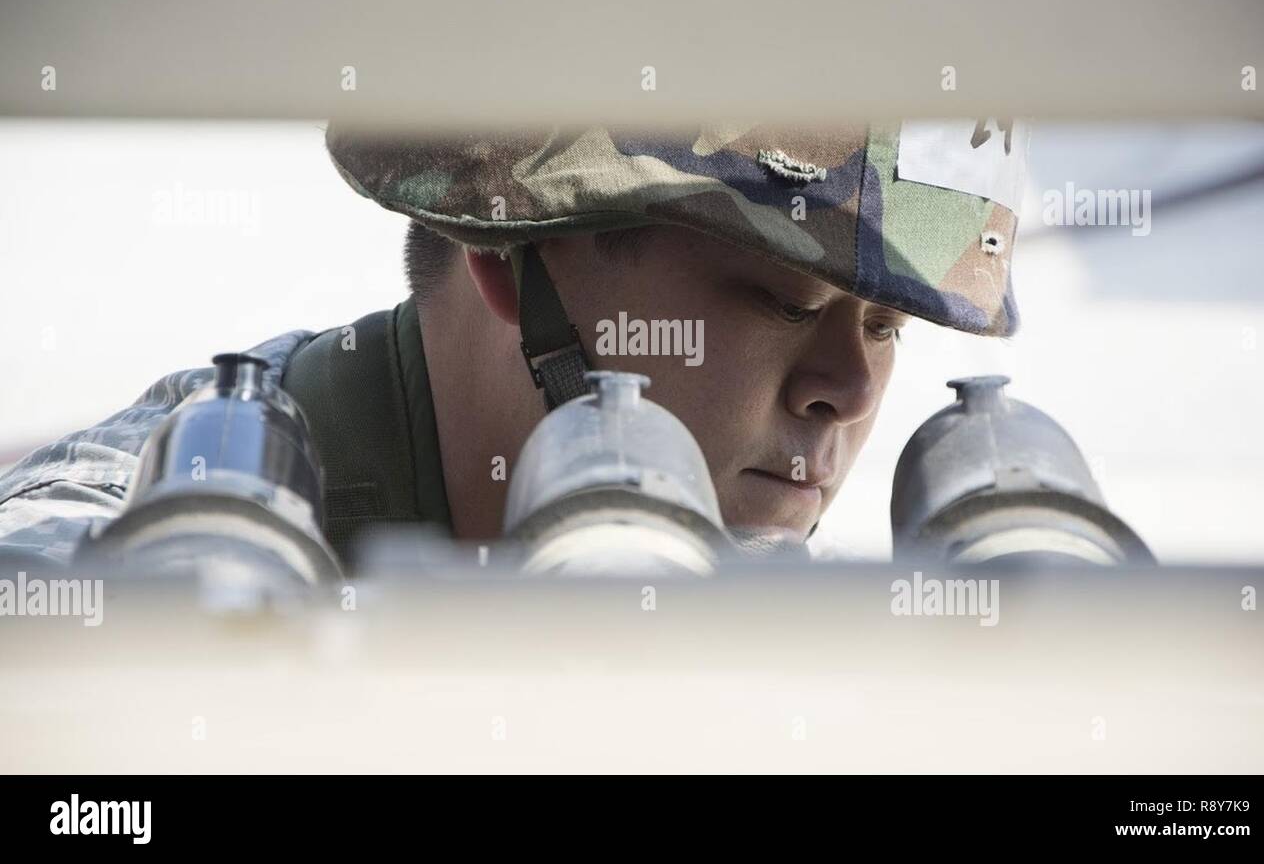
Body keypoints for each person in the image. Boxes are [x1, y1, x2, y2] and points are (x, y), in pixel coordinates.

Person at [0, 122, 1027, 568]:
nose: (846, 390)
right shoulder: (123, 537)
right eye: (780, 301)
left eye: (886, 326)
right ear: (515, 253)